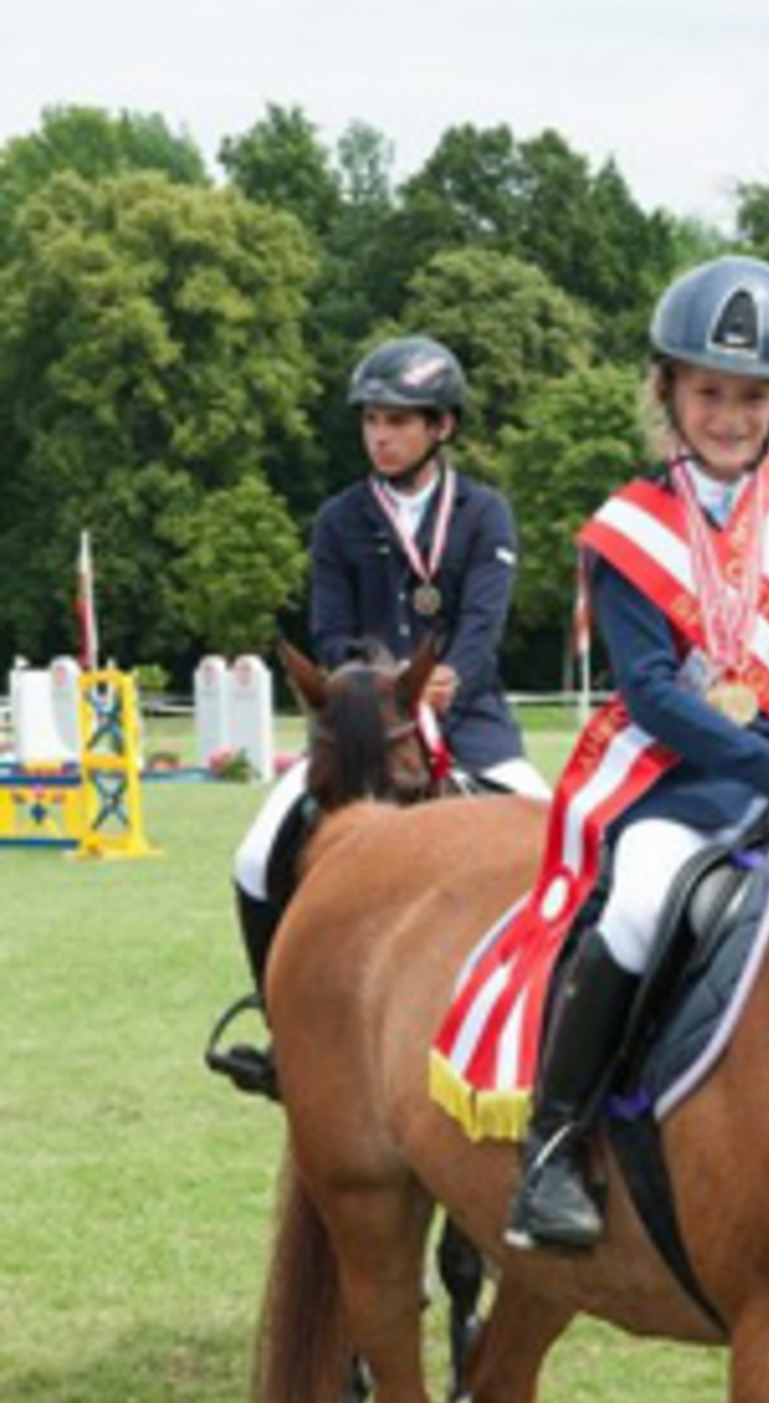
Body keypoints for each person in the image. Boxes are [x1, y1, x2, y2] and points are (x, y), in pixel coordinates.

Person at [499, 255, 769, 1252]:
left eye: (750, 396)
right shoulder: (625, 532)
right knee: (648, 893)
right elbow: (651, 691)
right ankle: (553, 1145)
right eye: (708, 391)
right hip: (678, 783)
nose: (729, 415)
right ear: (669, 391)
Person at [212, 333, 548, 1100]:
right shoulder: (339, 519)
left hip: (469, 722)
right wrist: (382, 685)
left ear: (442, 427)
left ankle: (537, 1028)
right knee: (255, 855)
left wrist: (448, 682)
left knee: (557, 838)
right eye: (371, 421)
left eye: (399, 421)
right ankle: (281, 1028)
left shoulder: (482, 514)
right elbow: (330, 634)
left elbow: (484, 627)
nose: (381, 436)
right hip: (363, 731)